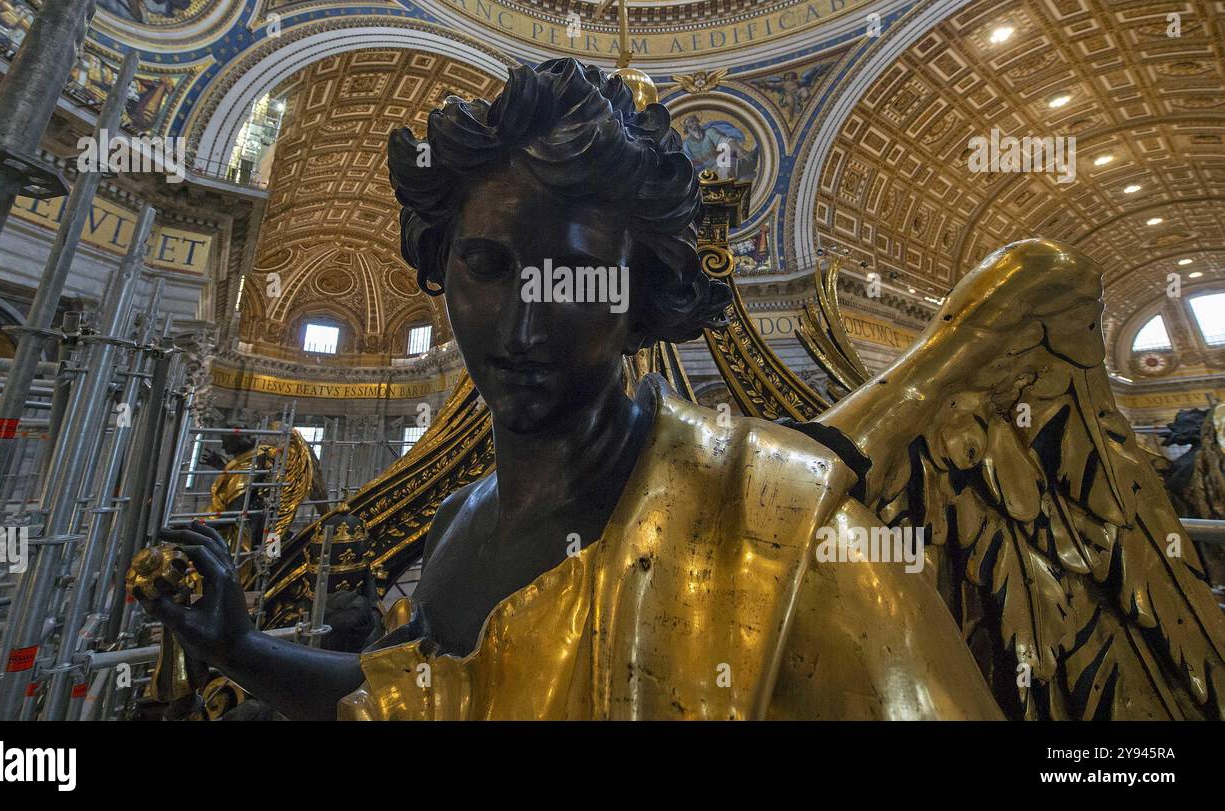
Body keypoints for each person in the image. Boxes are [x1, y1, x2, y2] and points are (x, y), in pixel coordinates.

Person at [140, 58, 1001, 720]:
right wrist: (239, 645)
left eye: (577, 278)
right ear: (444, 264)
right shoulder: (456, 521)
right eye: (486, 265)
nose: (522, 327)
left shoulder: (783, 531)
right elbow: (412, 700)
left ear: (643, 303)